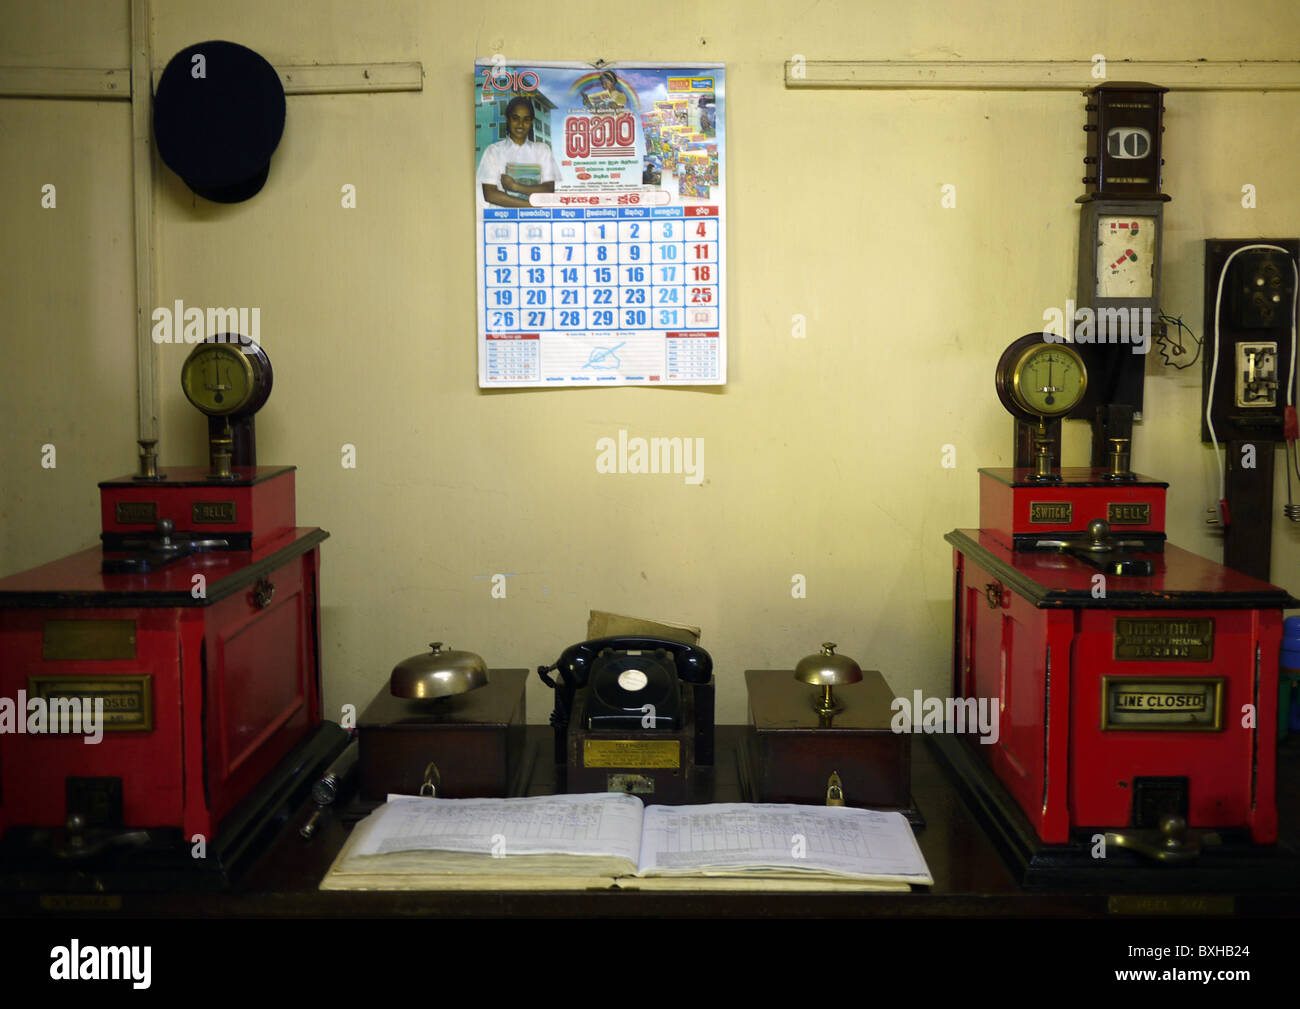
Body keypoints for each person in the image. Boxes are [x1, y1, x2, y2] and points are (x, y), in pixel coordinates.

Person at [477, 96, 559, 208]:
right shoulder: (493, 151)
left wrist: (515, 187)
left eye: (526, 119)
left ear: (532, 121)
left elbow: (549, 190)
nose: (520, 124)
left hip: (535, 219)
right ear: (507, 118)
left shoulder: (543, 150)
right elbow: (490, 195)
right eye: (515, 118)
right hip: (502, 219)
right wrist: (531, 205)